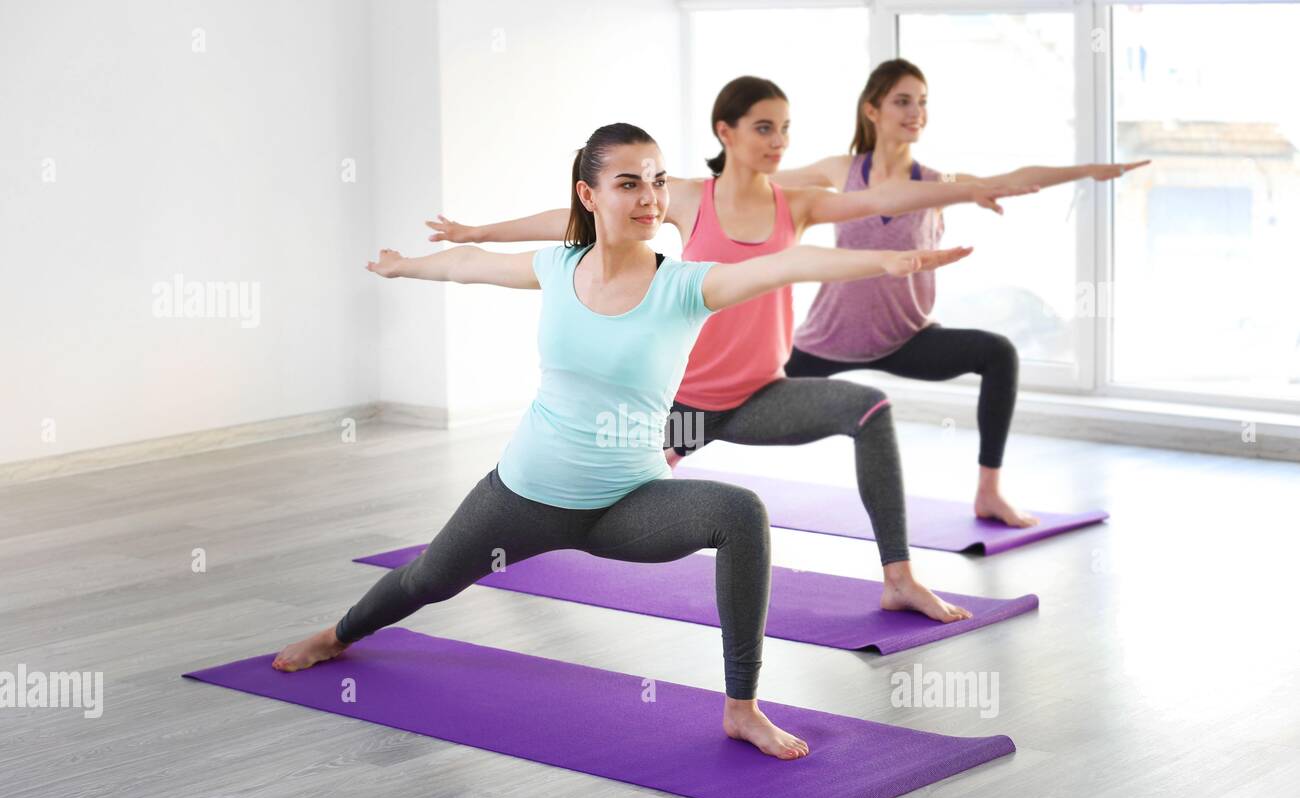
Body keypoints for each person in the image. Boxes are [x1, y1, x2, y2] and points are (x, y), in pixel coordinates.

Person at [271, 122, 974, 760]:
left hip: (627, 505)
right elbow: (468, 266)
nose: (651, 197)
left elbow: (786, 265)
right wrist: (406, 266)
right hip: (522, 496)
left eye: (660, 180)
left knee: (740, 514)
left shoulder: (686, 287)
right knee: (427, 580)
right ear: (590, 192)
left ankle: (741, 707)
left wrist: (881, 266)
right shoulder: (555, 265)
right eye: (630, 182)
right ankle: (338, 635)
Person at [428, 77, 1032, 622]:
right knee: (596, 492)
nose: (779, 142)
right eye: (764, 127)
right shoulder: (687, 197)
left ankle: (899, 578)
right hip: (683, 403)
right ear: (727, 131)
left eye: (786, 129)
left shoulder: (797, 202)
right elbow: (576, 217)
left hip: (758, 396)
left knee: (870, 408)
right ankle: (517, 544)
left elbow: (884, 199)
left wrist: (969, 189)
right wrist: (481, 233)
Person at [775, 59, 1149, 526]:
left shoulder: (939, 184)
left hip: (904, 338)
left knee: (998, 353)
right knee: (739, 388)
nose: (917, 112)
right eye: (903, 101)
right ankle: (668, 456)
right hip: (830, 338)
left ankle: (989, 491)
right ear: (872, 109)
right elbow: (761, 182)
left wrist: (1089, 170)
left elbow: (1009, 179)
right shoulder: (842, 170)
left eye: (923, 102)